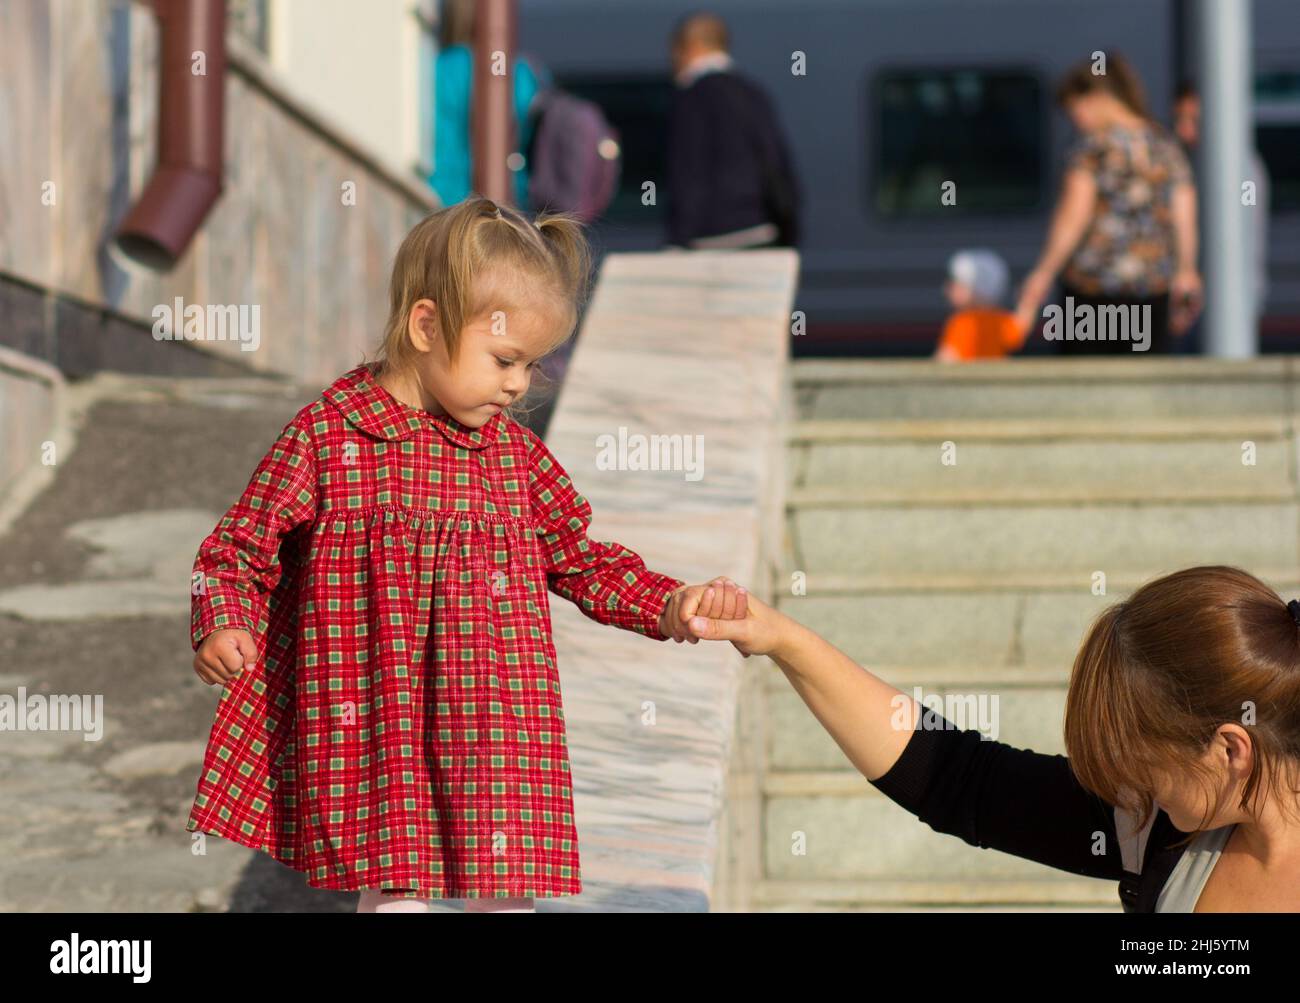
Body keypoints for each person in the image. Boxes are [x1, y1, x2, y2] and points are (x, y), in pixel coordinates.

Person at [186, 195, 745, 913]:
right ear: (426, 324)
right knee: (396, 890)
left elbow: (581, 560)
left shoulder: (513, 458)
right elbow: (237, 547)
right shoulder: (333, 436)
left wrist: (668, 603)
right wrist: (222, 619)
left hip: (497, 724)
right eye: (506, 359)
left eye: (532, 366)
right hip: (375, 720)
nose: (518, 383)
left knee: (505, 893)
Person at [687, 567, 1300, 912]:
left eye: (1147, 768)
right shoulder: (1163, 830)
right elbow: (959, 779)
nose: (1132, 787)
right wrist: (782, 640)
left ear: (1230, 751)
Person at [1015, 54, 1202, 354]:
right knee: (1144, 391)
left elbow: (1073, 217)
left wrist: (1044, 272)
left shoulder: (1092, 148)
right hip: (1152, 291)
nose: (1076, 119)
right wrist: (1186, 271)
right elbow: (1184, 217)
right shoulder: (1167, 146)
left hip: (1092, 289)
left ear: (1096, 98)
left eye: (1074, 108)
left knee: (1085, 388)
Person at [665, 11, 801, 249]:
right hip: (762, 230)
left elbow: (689, 171)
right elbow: (777, 162)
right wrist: (787, 225)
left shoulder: (691, 98)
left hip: (711, 237)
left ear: (690, 46)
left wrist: (678, 238)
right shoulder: (754, 94)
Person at [1172, 79, 1270, 344]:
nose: (1184, 131)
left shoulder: (1243, 171)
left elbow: (1241, 237)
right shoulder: (1198, 165)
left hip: (1221, 302)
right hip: (1205, 301)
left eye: (1194, 120)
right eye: (1180, 120)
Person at [428, 0, 541, 209]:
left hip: (445, 202)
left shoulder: (440, 67)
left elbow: (440, 148)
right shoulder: (523, 75)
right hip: (510, 209)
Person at [934, 249, 1025, 361]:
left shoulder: (962, 322)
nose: (947, 289)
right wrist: (1028, 302)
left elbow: (946, 357)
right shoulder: (999, 320)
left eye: (956, 284)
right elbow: (1020, 327)